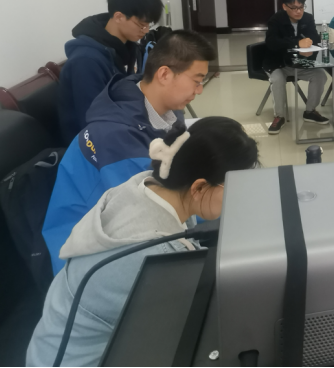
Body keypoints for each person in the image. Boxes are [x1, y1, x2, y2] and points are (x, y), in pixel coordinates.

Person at [26, 118, 259, 367]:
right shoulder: (159, 257)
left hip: (50, 348)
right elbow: (189, 330)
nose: (235, 198)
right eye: (232, 188)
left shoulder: (144, 184)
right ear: (199, 187)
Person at [43, 30, 215, 274]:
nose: (199, 90)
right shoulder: (115, 136)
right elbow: (157, 206)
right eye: (197, 81)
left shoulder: (160, 107)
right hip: (83, 258)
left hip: (124, 229)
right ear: (164, 74)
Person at [59, 0, 164, 142]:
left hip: (121, 126)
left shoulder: (126, 49)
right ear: (119, 17)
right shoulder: (86, 61)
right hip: (91, 144)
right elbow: (92, 121)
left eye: (149, 24)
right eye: (142, 24)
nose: (146, 30)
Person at [264, 0, 329, 134]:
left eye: (301, 7)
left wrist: (309, 47)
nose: (298, 11)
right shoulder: (276, 20)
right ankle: (279, 116)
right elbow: (272, 43)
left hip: (299, 63)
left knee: (320, 75)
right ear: (284, 6)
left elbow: (315, 39)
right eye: (294, 8)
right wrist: (296, 43)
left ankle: (310, 111)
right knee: (278, 79)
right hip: (278, 63)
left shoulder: (308, 18)